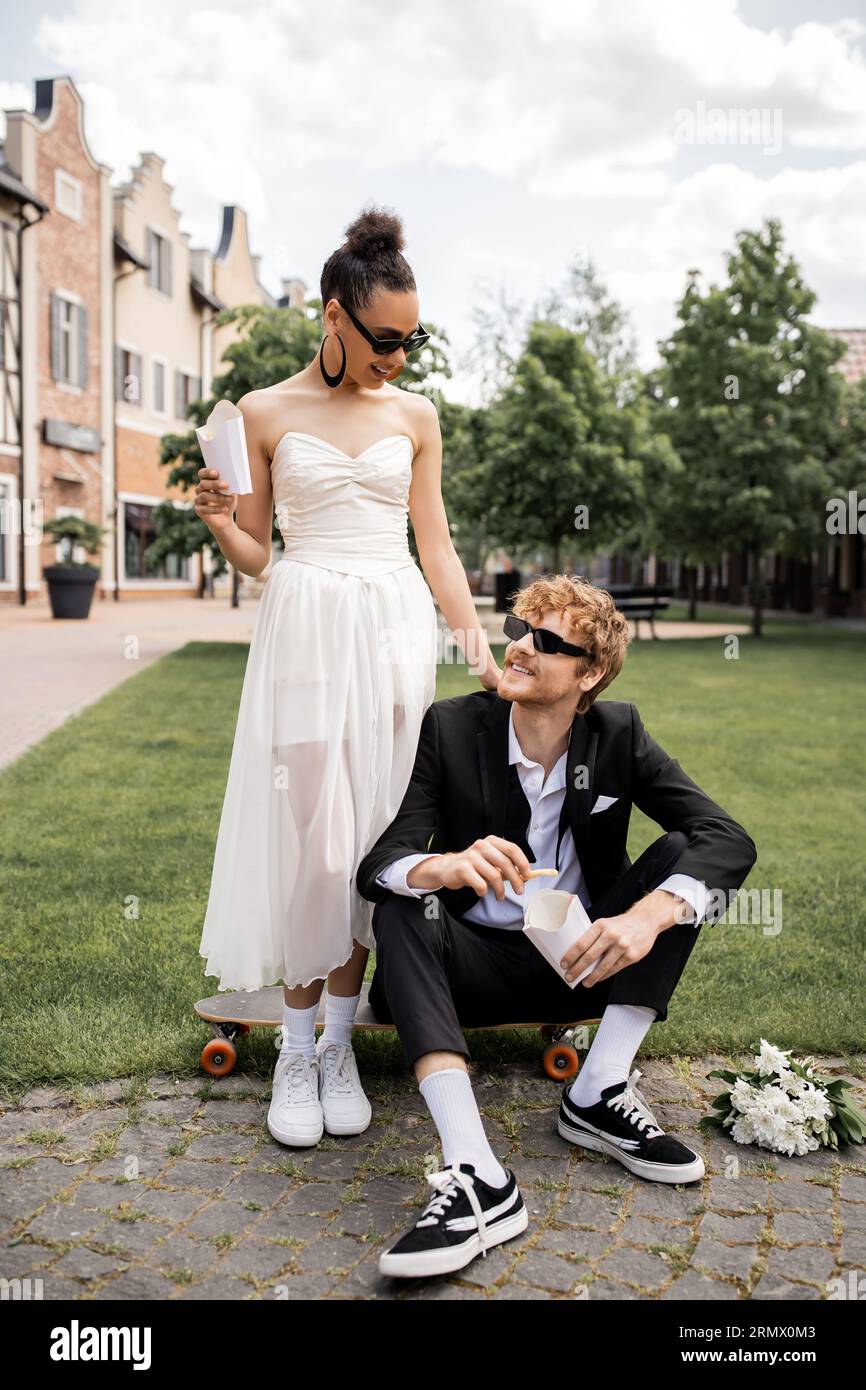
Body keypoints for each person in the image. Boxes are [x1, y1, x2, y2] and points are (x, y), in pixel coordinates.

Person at [195, 205, 502, 1150]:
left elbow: (436, 543)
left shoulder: (416, 416)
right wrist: (218, 522)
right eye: (383, 340)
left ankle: (337, 1041)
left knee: (374, 842)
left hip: (392, 625)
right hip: (304, 622)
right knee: (314, 844)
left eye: (413, 342)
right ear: (334, 315)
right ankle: (292, 1049)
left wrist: (477, 644)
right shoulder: (263, 411)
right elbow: (256, 550)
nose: (398, 359)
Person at [355, 573, 757, 1279]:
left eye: (545, 642)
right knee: (403, 900)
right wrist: (443, 866)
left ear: (591, 672)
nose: (519, 649)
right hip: (463, 973)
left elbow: (725, 836)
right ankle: (476, 1172)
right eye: (517, 631)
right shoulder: (452, 726)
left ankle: (598, 1091)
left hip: (581, 966)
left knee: (678, 866)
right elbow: (382, 863)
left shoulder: (618, 733)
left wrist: (649, 914)